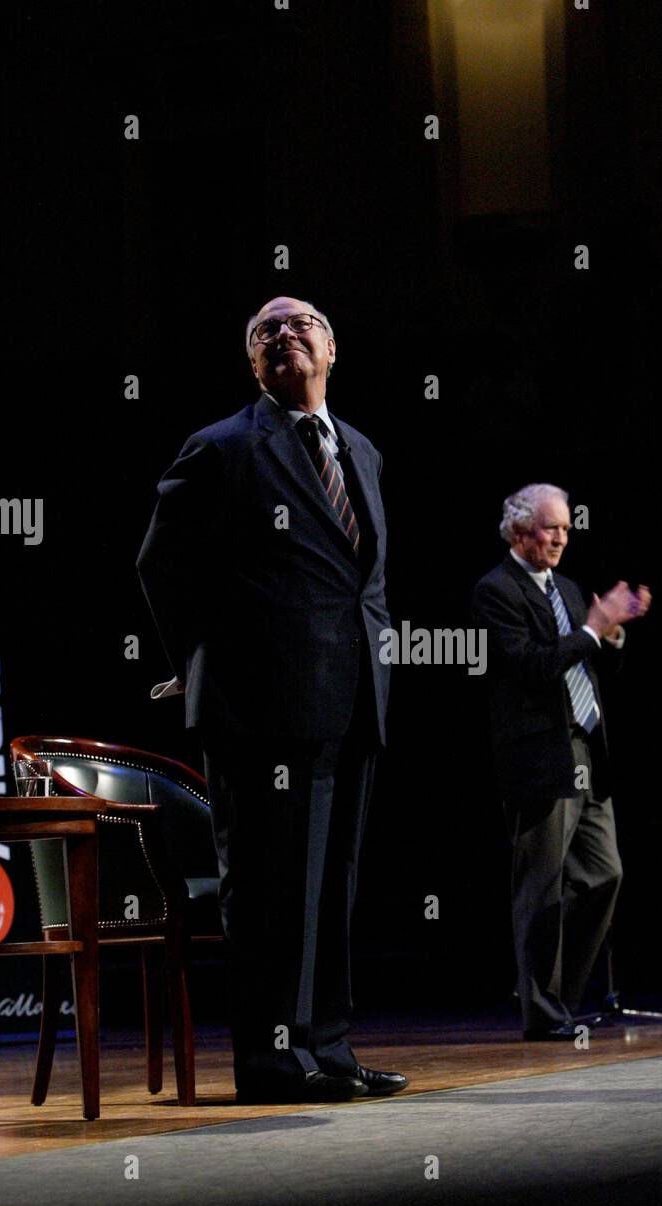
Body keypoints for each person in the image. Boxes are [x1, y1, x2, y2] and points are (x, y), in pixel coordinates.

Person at [137, 295, 408, 1102]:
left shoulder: (358, 447)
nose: (285, 335)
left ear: (333, 349)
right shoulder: (221, 448)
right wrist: (205, 660)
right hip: (259, 709)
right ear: (252, 362)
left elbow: (366, 578)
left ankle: (327, 1049)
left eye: (303, 326)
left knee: (330, 883)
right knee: (268, 888)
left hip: (352, 696)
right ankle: (270, 1060)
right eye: (266, 332)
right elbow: (160, 564)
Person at [471, 483, 651, 1039]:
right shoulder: (495, 591)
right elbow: (531, 666)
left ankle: (552, 995)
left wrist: (612, 635)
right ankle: (542, 1010)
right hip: (539, 758)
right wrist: (592, 631)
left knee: (604, 875)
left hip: (587, 750)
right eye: (551, 527)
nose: (561, 537)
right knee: (540, 887)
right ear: (519, 529)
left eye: (567, 528)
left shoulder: (569, 590)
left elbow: (592, 668)